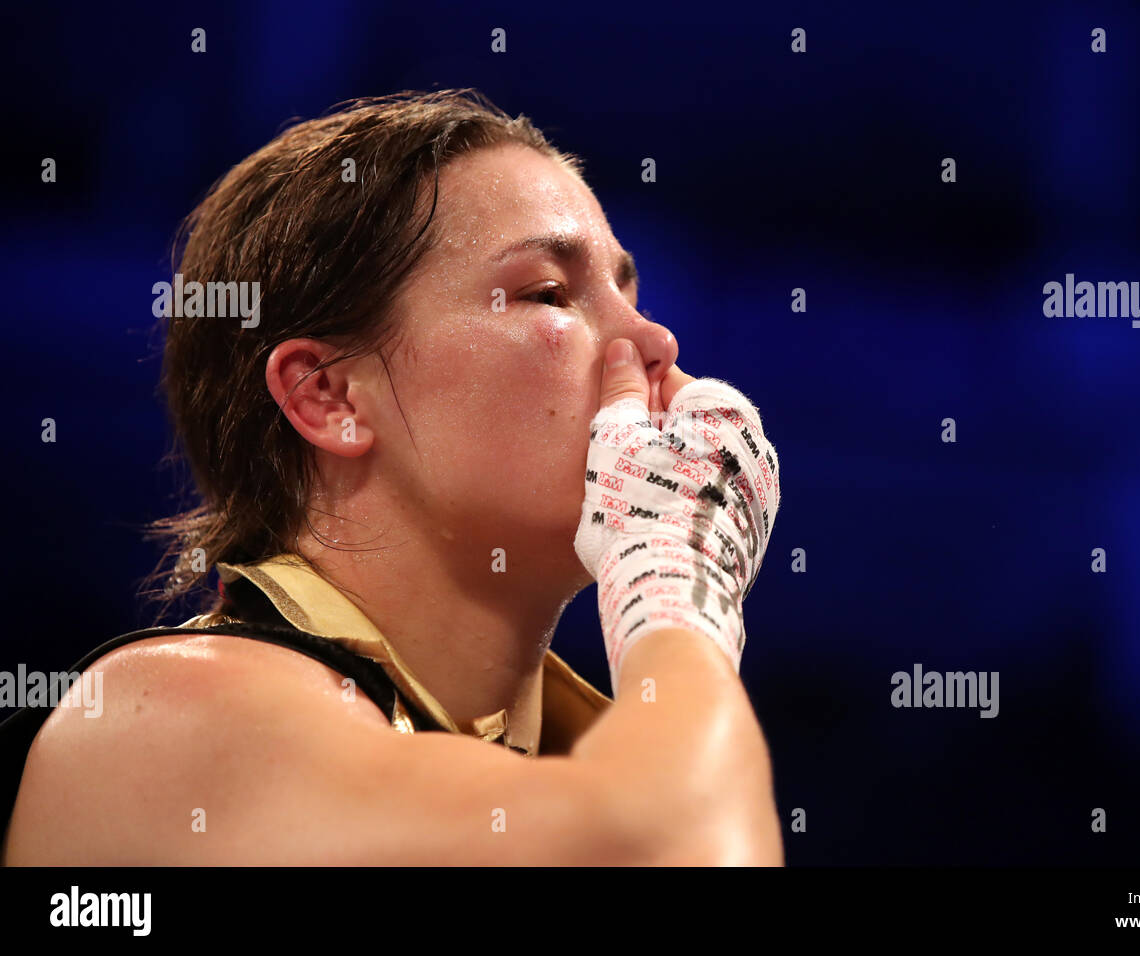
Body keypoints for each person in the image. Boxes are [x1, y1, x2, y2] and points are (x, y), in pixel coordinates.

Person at [0, 89, 783, 865]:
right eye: (548, 293)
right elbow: (684, 846)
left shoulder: (599, 756)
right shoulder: (165, 715)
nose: (652, 340)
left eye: (628, 291)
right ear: (328, 395)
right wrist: (676, 577)